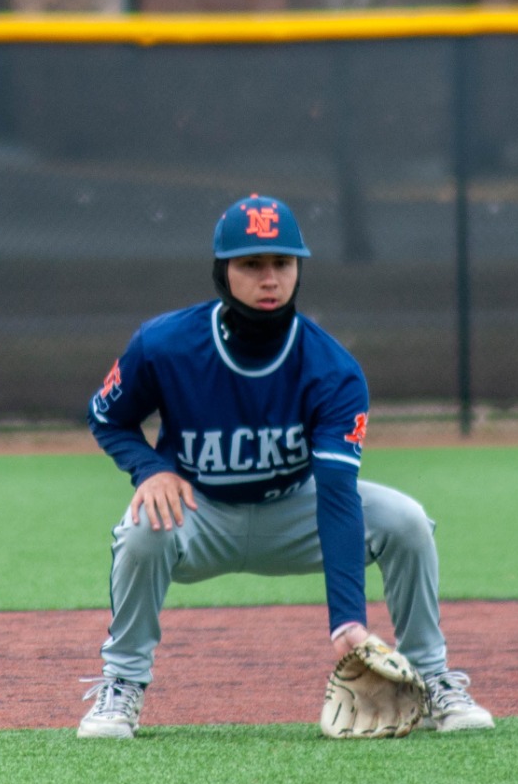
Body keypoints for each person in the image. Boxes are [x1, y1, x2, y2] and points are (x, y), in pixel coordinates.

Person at [77, 193, 494, 740]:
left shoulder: (332, 369)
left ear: (299, 270)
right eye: (252, 264)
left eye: (282, 263)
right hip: (200, 513)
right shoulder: (163, 345)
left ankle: (434, 678)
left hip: (295, 514)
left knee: (405, 520)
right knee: (140, 529)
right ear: (223, 272)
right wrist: (148, 468)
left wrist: (347, 620)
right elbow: (107, 416)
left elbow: (338, 494)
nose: (269, 278)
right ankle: (122, 685)